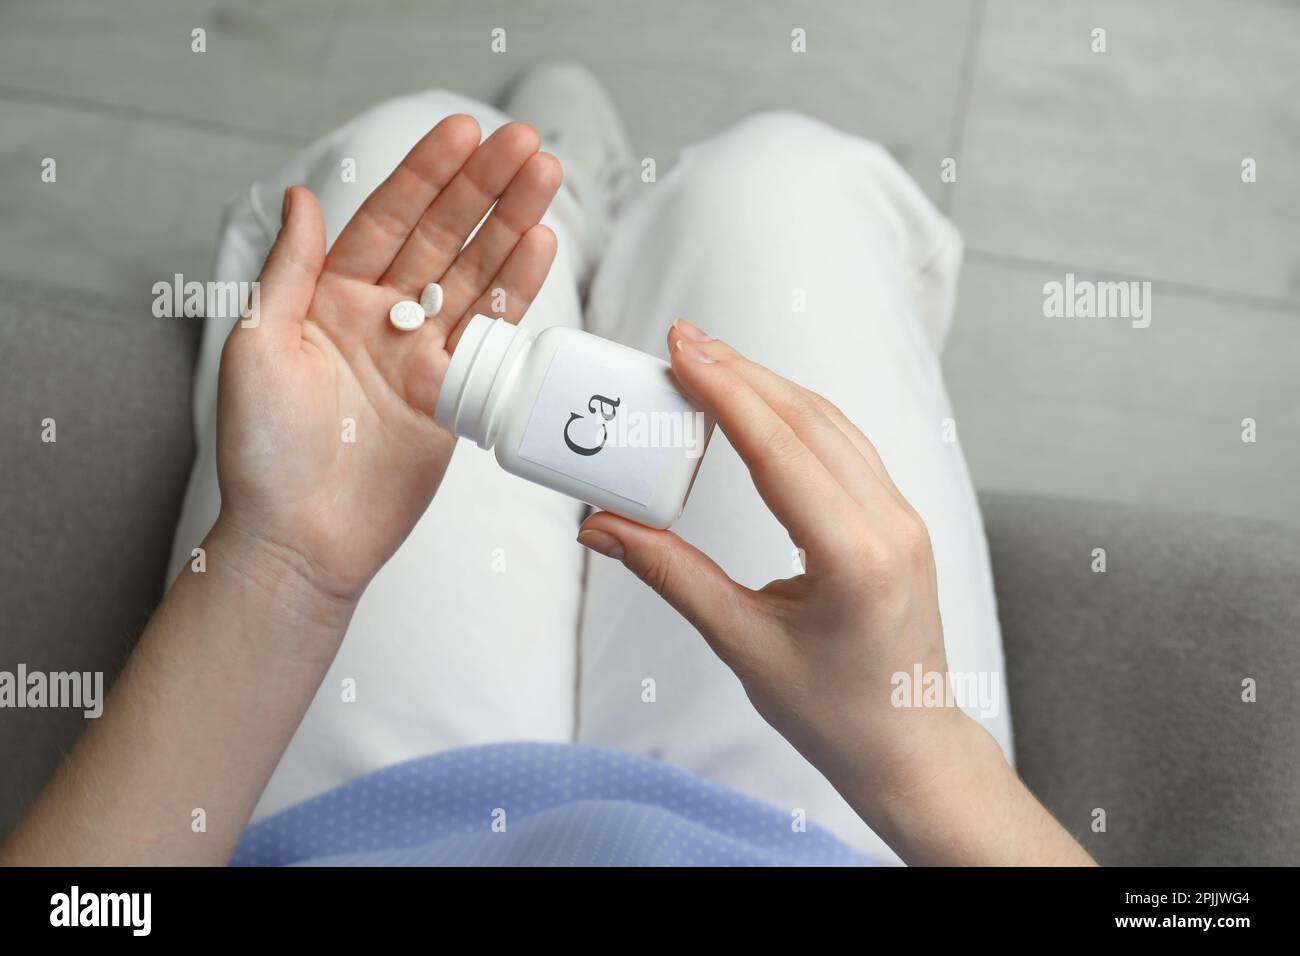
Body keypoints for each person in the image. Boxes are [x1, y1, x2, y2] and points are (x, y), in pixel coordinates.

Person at [0, 64, 1092, 866]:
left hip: (357, 827)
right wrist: (922, 755)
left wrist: (278, 568)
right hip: (831, 829)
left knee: (415, 138)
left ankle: (572, 213)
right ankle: (610, 217)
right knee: (785, 178)